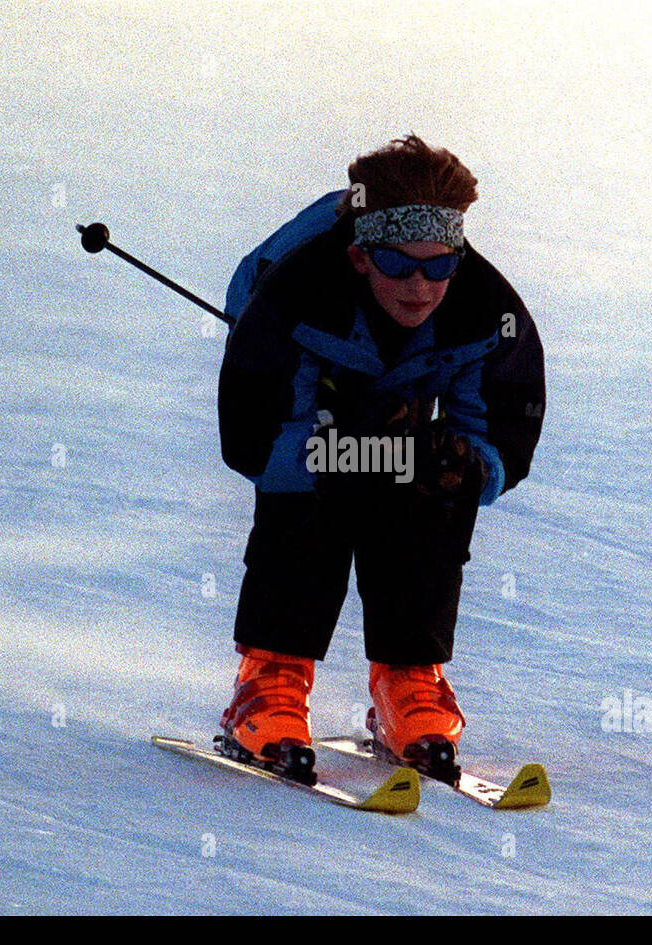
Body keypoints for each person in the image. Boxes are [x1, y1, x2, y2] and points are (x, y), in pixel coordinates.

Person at [217, 134, 545, 777]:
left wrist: (462, 463)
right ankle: (270, 678)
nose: (421, 287)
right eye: (399, 266)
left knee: (433, 483)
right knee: (310, 498)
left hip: (400, 397)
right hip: (307, 398)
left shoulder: (487, 310)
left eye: (439, 266)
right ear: (362, 257)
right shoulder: (293, 298)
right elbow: (255, 440)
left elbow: (503, 423)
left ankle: (408, 679)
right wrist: (356, 452)